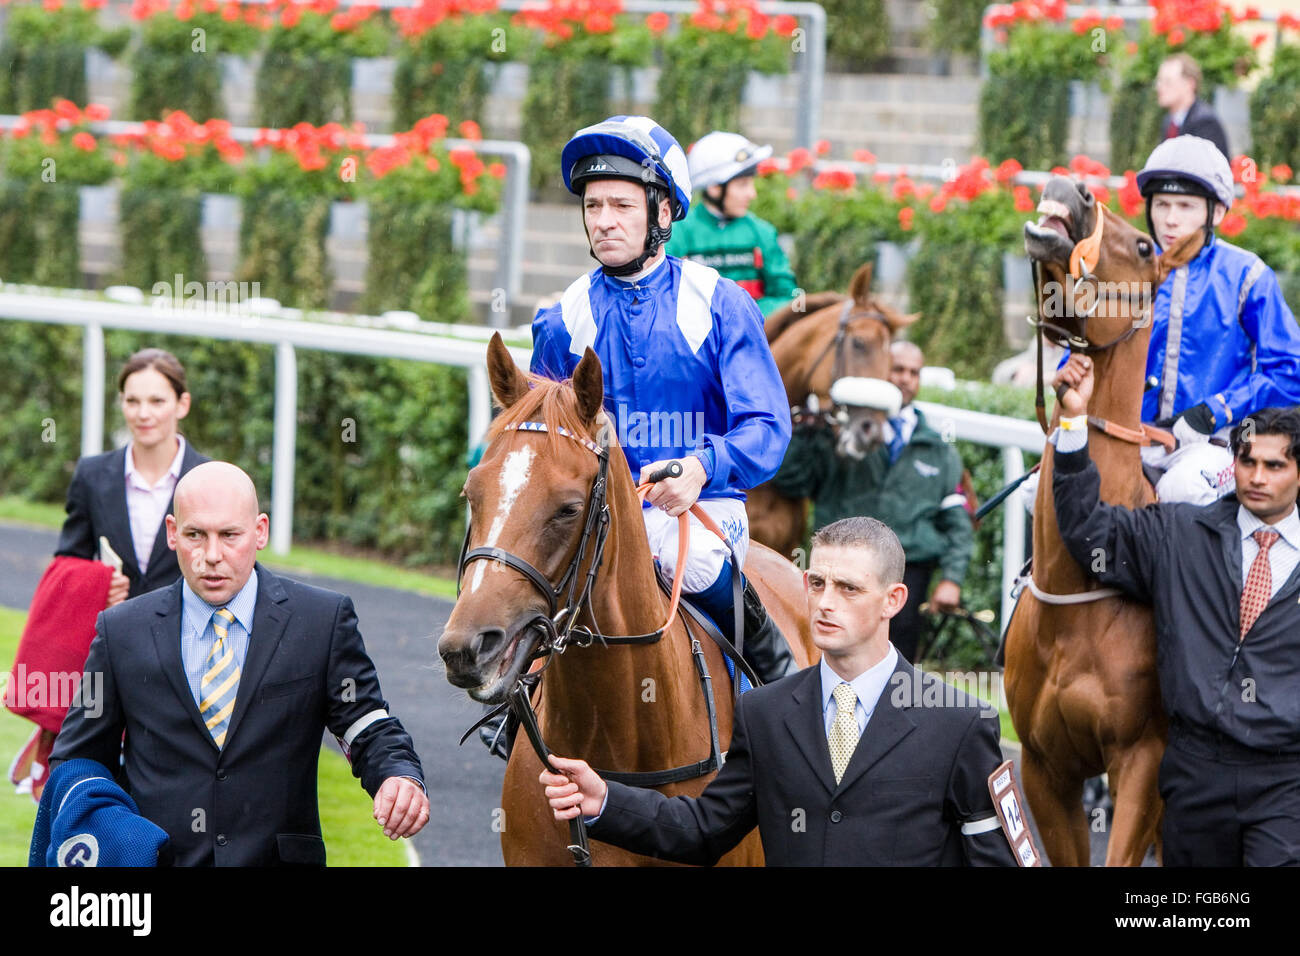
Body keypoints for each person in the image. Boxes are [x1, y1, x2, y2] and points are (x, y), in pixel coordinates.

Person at [538, 516, 1017, 866]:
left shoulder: (961, 723)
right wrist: (605, 800)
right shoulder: (763, 713)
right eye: (817, 583)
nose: (825, 604)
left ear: (893, 600)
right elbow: (704, 830)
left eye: (848, 589)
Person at [49, 461, 429, 866]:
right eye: (196, 535)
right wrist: (118, 836)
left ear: (260, 531)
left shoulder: (322, 620)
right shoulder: (120, 630)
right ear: (173, 533)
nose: (212, 556)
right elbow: (76, 757)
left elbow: (365, 724)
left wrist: (397, 774)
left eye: (229, 535)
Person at [531, 115, 795, 686]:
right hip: (595, 515)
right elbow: (539, 437)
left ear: (665, 212)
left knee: (695, 561)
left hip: (700, 509)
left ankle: (775, 679)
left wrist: (702, 466)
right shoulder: (562, 318)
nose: (603, 222)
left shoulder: (720, 304)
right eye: (593, 206)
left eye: (622, 206)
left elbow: (768, 427)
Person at [1052, 355, 1300, 866]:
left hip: (1286, 783)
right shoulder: (1177, 533)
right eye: (1246, 461)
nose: (1256, 476)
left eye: (1275, 465)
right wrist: (1073, 422)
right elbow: (1086, 529)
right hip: (1193, 774)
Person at [771, 341, 973, 663]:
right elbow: (790, 481)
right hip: (839, 568)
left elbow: (958, 521)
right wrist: (808, 433)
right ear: (879, 371)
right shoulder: (837, 431)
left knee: (897, 677)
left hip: (908, 575)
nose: (905, 378)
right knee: (827, 660)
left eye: (913, 372)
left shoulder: (939, 449)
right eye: (897, 369)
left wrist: (951, 579)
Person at [1134, 135, 1300, 504]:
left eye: (1185, 205)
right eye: (1161, 204)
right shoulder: (1128, 271)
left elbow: (1290, 370)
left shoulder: (1249, 275)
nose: (1170, 219)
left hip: (1212, 445)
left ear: (1218, 212)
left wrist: (1218, 409)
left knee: (1181, 490)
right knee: (1041, 489)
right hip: (1129, 438)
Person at [55, 348, 208, 605]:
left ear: (182, 405)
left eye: (156, 401)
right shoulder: (91, 475)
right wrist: (97, 586)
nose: (143, 414)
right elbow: (68, 563)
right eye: (132, 401)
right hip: (115, 633)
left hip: (188, 635)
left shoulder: (211, 478)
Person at [665, 131, 798, 317]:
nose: (752, 194)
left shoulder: (762, 232)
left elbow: (789, 295)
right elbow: (662, 296)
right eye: (743, 184)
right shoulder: (679, 232)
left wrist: (743, 315)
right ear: (714, 187)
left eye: (751, 184)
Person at [1155, 53, 1230, 161]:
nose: (1159, 87)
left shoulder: (1205, 122)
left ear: (1189, 84)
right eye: (1159, 81)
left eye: (1167, 81)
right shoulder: (1169, 121)